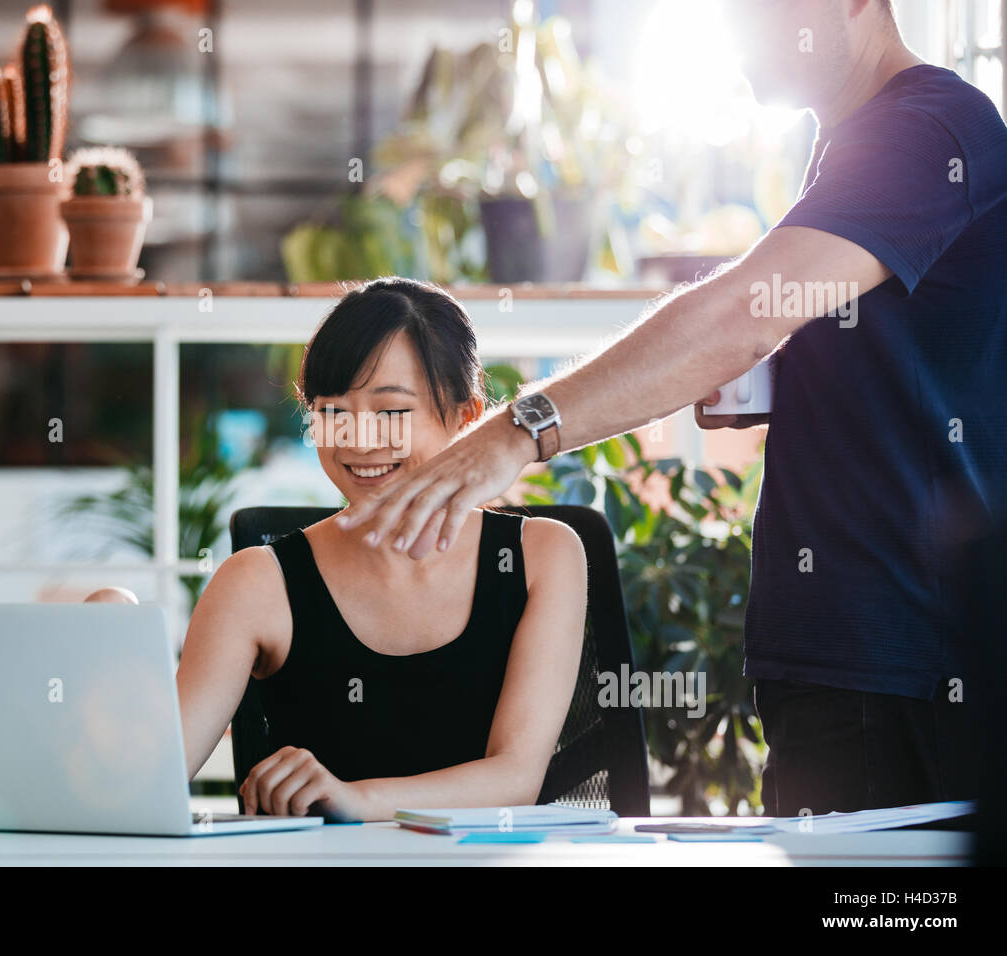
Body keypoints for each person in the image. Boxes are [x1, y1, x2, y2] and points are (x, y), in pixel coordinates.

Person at [337, 0, 1007, 815]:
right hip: (842, 657)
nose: (730, 31)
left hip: (905, 660)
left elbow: (744, 313)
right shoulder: (847, 142)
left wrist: (520, 432)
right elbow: (888, 355)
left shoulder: (927, 129)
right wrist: (778, 385)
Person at [91, 278, 587, 820]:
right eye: (332, 412)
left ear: (466, 418)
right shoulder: (256, 582)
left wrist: (357, 798)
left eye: (391, 411)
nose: (357, 439)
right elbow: (149, 777)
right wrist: (108, 660)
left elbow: (515, 777)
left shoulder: (543, 556)